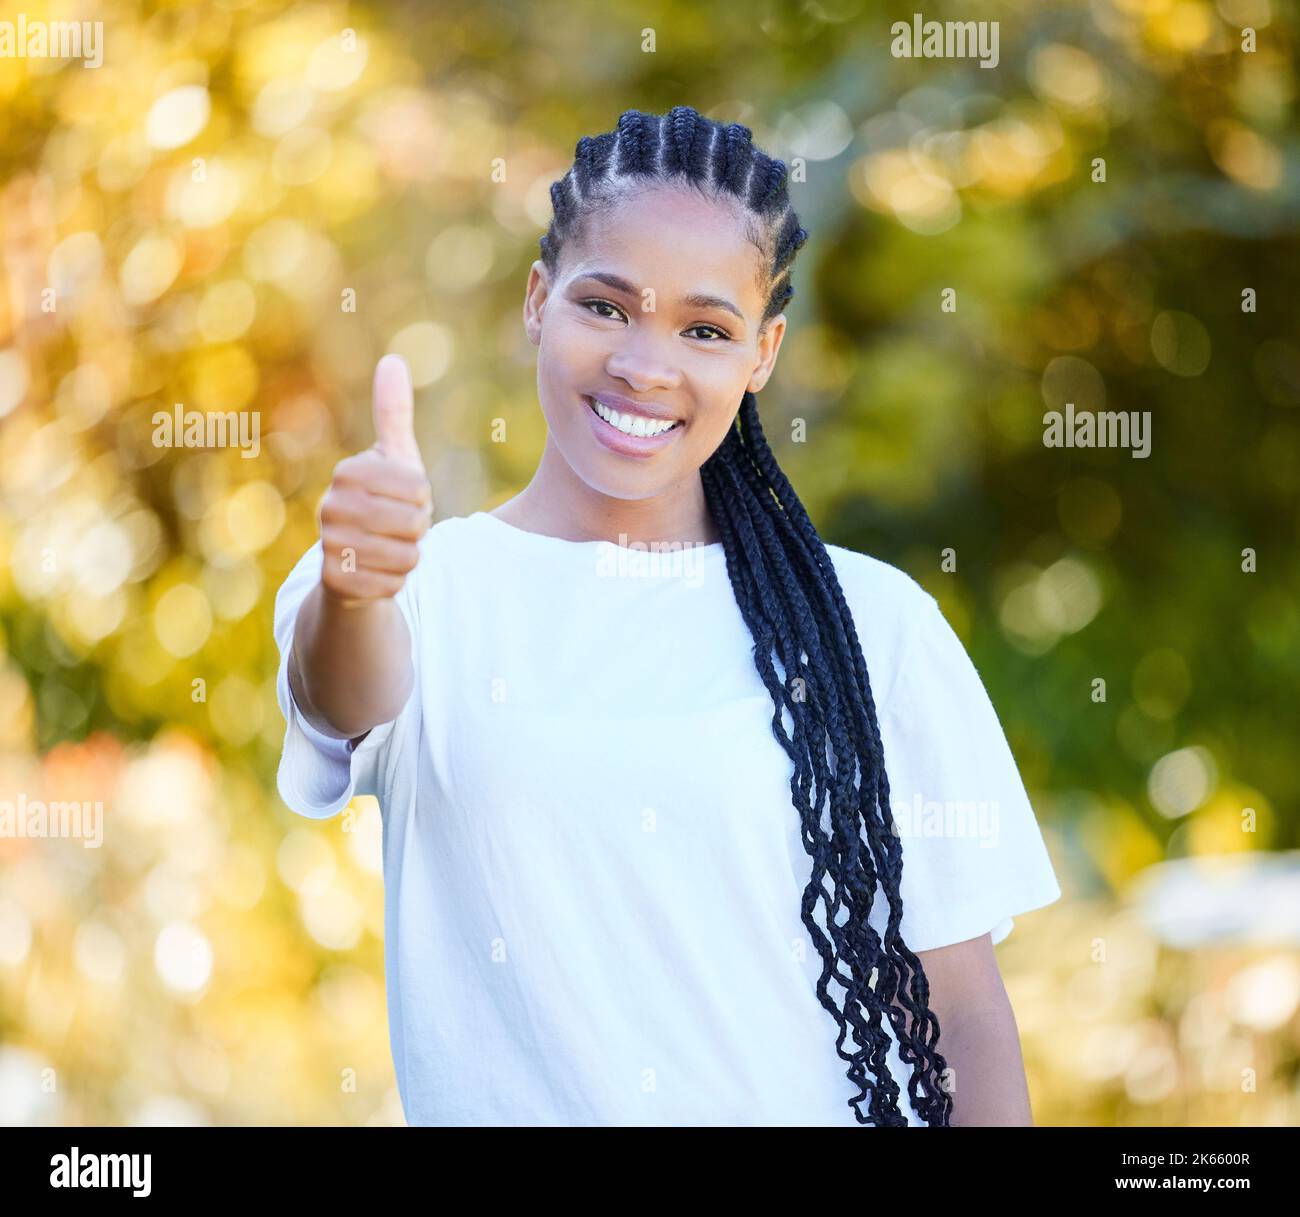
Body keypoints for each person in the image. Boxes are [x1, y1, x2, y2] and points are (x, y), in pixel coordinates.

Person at [273, 105, 1061, 1127]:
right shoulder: (417, 587)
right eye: (605, 307)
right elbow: (342, 696)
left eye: (703, 329)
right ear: (535, 299)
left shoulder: (875, 627)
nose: (647, 366)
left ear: (762, 351)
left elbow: (962, 1018)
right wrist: (354, 587)